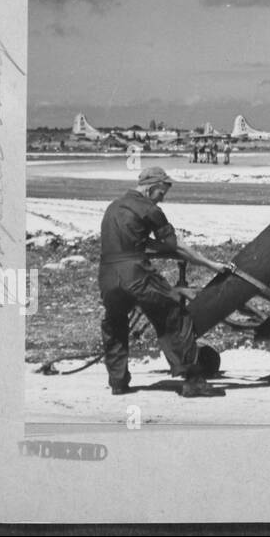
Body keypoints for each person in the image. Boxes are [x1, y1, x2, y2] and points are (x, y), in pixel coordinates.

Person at [98, 166, 221, 398]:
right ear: (152, 187)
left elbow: (127, 241)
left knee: (115, 324)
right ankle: (193, 379)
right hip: (135, 273)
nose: (163, 197)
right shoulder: (150, 209)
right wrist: (210, 265)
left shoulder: (112, 207)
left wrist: (147, 244)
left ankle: (118, 382)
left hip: (106, 274)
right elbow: (176, 246)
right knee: (172, 314)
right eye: (162, 192)